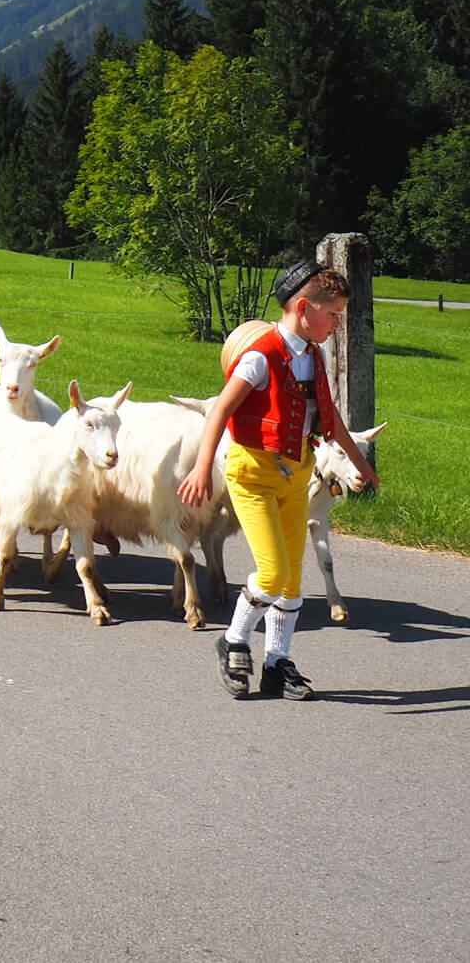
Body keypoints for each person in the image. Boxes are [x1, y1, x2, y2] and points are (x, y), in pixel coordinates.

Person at [179, 258, 379, 701]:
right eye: (333, 315)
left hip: (297, 472)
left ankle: (277, 661)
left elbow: (329, 418)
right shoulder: (260, 356)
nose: (336, 324)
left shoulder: (314, 355)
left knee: (291, 579)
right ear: (304, 309)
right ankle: (234, 640)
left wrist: (359, 463)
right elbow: (220, 411)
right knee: (271, 573)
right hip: (253, 474)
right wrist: (201, 466)